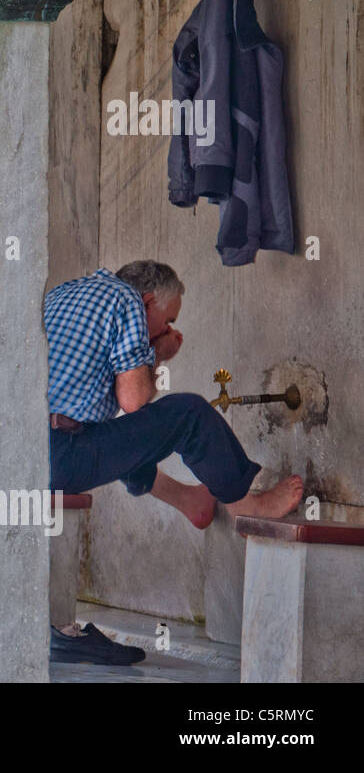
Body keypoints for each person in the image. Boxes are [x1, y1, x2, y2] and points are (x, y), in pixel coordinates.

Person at [44, 260, 303, 665]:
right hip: (61, 454)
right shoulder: (127, 301)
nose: (168, 331)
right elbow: (136, 399)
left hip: (29, 449)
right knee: (188, 412)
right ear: (148, 302)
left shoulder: (68, 291)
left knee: (120, 432)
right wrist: (156, 351)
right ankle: (243, 502)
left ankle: (187, 499)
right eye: (167, 321)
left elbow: (125, 412)